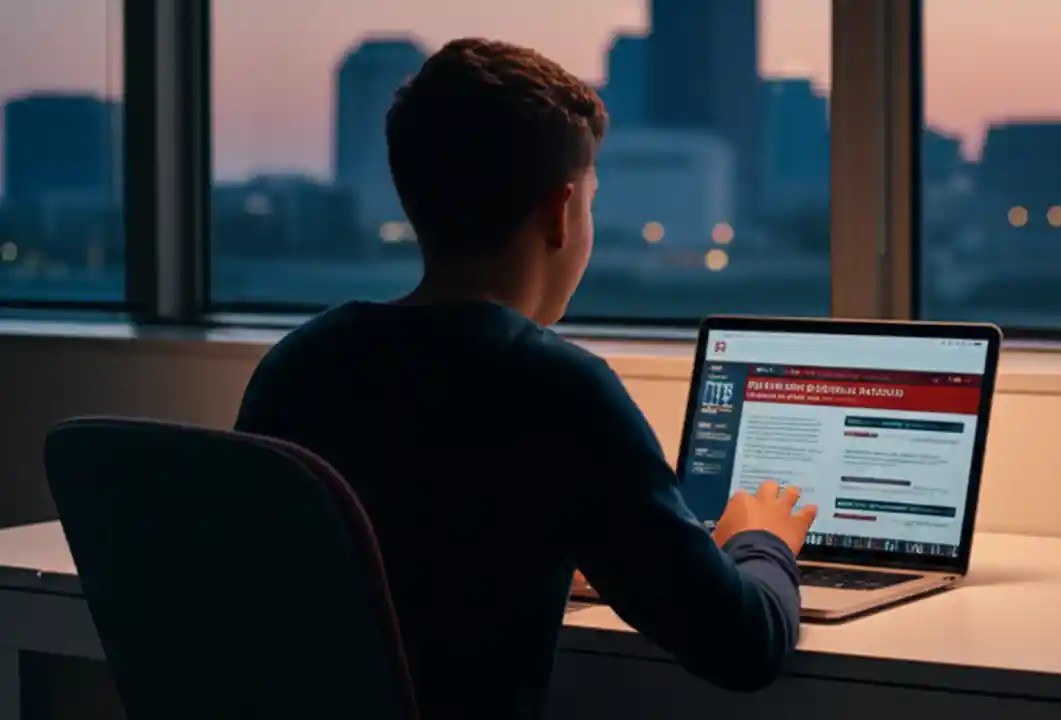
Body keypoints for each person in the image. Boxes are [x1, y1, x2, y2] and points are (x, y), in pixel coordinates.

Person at [235, 37, 817, 718]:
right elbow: (741, 646)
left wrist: (548, 548)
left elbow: (388, 554)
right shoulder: (560, 390)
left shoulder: (298, 365)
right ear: (560, 211)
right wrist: (764, 540)